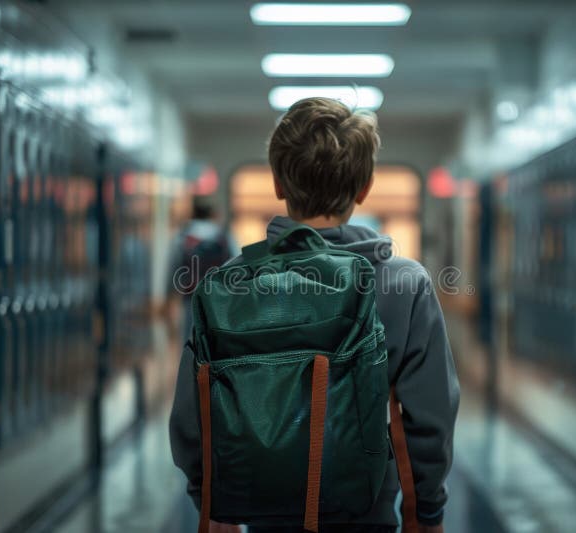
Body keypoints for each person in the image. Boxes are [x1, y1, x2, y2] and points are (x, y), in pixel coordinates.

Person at [170, 97, 459, 532]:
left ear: (278, 184)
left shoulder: (229, 283)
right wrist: (427, 511)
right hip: (367, 513)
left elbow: (194, 415)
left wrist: (210, 501)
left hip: (258, 508)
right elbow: (430, 415)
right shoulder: (404, 284)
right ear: (364, 188)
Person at [165, 194, 239, 340]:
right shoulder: (224, 236)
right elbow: (237, 265)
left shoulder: (182, 237)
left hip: (190, 299)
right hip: (219, 300)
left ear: (193, 212)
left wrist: (168, 297)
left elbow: (172, 269)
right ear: (213, 213)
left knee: (190, 339)